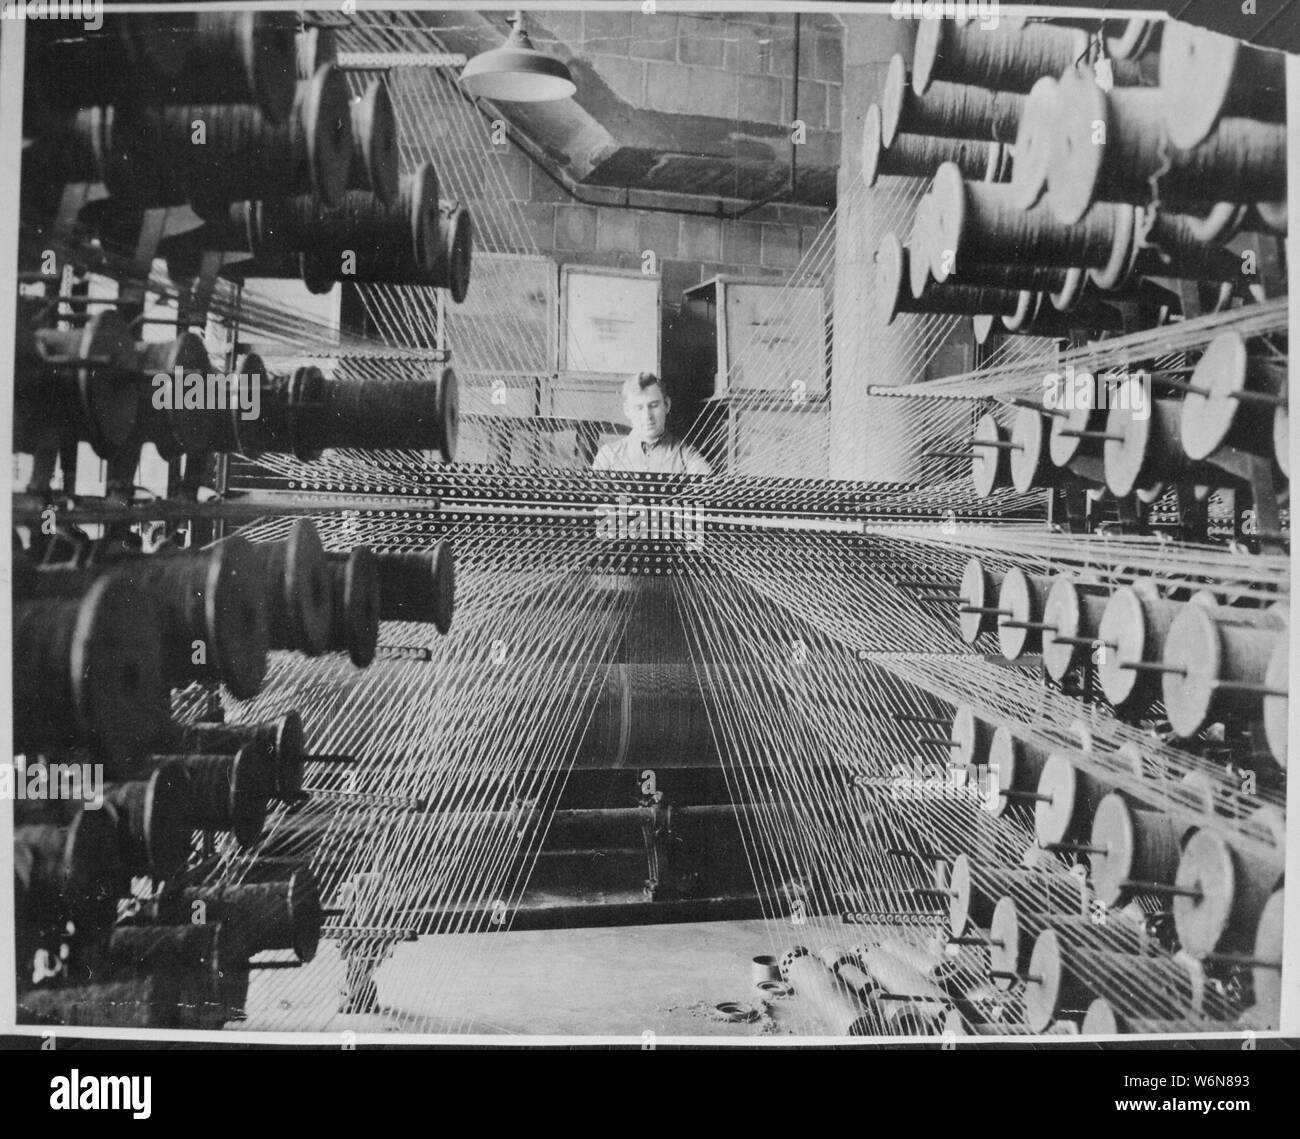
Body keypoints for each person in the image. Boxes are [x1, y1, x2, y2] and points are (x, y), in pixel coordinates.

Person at [591, 372, 713, 475]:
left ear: (667, 405)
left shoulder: (686, 456)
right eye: (639, 408)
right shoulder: (607, 455)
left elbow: (707, 495)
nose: (647, 416)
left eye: (654, 406)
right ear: (627, 411)